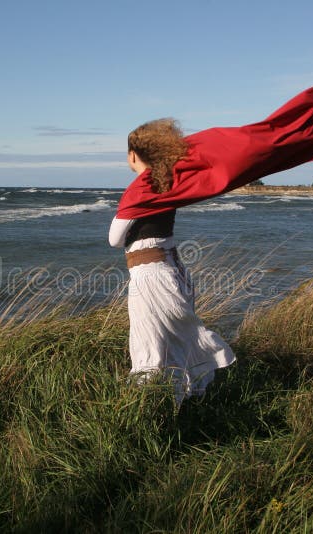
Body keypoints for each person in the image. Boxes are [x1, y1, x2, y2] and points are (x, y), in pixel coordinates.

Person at [109, 118, 235, 404]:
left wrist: (124, 213)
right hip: (171, 271)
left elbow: (114, 239)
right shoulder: (169, 182)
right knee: (175, 342)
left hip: (151, 275)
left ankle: (154, 409)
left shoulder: (141, 188)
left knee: (150, 343)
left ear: (133, 155)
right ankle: (188, 400)